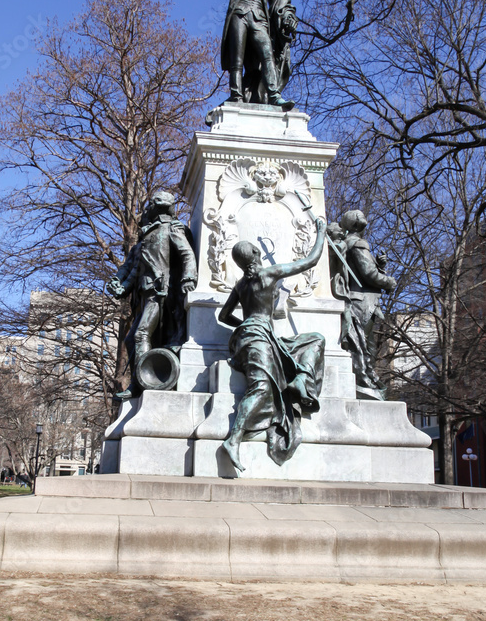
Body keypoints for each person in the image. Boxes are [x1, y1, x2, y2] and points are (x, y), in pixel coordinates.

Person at [217, 217, 327, 471]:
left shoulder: (241, 285)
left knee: (315, 340)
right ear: (256, 253)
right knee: (260, 387)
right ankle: (233, 440)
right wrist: (320, 232)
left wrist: (245, 324)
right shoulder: (270, 273)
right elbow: (310, 261)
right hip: (258, 338)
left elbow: (223, 317)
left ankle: (300, 378)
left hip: (256, 337)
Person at [107, 192, 197, 399]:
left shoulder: (170, 229)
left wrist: (188, 278)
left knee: (140, 335)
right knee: (131, 340)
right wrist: (118, 284)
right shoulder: (144, 238)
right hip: (144, 294)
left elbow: (187, 254)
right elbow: (131, 267)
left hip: (160, 292)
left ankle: (141, 385)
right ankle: (139, 382)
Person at [206, 0, 296, 109]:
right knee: (237, 59)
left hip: (260, 20)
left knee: (267, 54)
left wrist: (286, 16)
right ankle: (236, 95)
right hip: (239, 15)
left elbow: (277, 2)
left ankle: (274, 95)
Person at [338, 210, 397, 399]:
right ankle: (363, 383)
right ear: (359, 225)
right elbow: (368, 274)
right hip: (362, 302)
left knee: (363, 345)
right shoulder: (358, 244)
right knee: (365, 346)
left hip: (357, 300)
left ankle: (365, 381)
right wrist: (389, 281)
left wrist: (379, 265)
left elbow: (366, 270)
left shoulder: (347, 244)